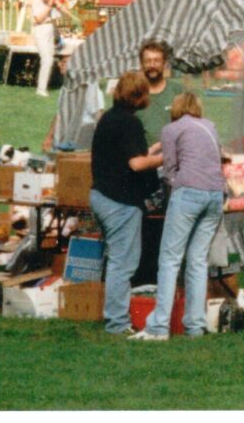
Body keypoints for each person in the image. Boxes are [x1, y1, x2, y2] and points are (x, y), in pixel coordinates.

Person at [135, 91, 227, 341]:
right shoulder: (210, 126)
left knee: (170, 259)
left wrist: (175, 187)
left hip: (189, 193)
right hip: (216, 195)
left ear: (175, 109)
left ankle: (159, 326)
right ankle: (195, 325)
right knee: (197, 260)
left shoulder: (172, 129)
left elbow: (169, 170)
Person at [90, 71, 165, 336]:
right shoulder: (130, 123)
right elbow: (136, 163)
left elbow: (127, 154)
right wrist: (165, 158)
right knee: (123, 264)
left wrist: (153, 149)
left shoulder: (110, 118)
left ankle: (115, 318)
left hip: (100, 194)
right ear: (140, 96)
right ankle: (117, 323)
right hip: (119, 200)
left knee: (116, 260)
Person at [136, 40, 186, 141]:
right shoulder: (134, 94)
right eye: (148, 61)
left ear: (165, 64)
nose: (152, 65)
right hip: (144, 155)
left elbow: (191, 126)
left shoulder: (178, 91)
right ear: (141, 64)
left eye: (157, 61)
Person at [30, 0, 59, 97]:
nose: (50, 1)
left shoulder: (48, 1)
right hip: (40, 30)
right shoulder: (37, 2)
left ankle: (45, 85)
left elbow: (61, 14)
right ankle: (41, 89)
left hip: (50, 28)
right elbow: (38, 19)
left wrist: (58, 6)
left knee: (50, 58)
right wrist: (49, 7)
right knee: (46, 59)